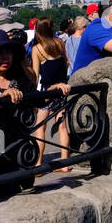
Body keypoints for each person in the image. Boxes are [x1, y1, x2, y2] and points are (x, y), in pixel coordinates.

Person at [30, 17, 72, 170]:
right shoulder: (60, 43)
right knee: (62, 126)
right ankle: (65, 163)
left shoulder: (37, 49)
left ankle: (38, 162)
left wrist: (33, 94)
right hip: (61, 90)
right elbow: (66, 62)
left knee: (40, 128)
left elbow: (35, 76)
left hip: (47, 92)